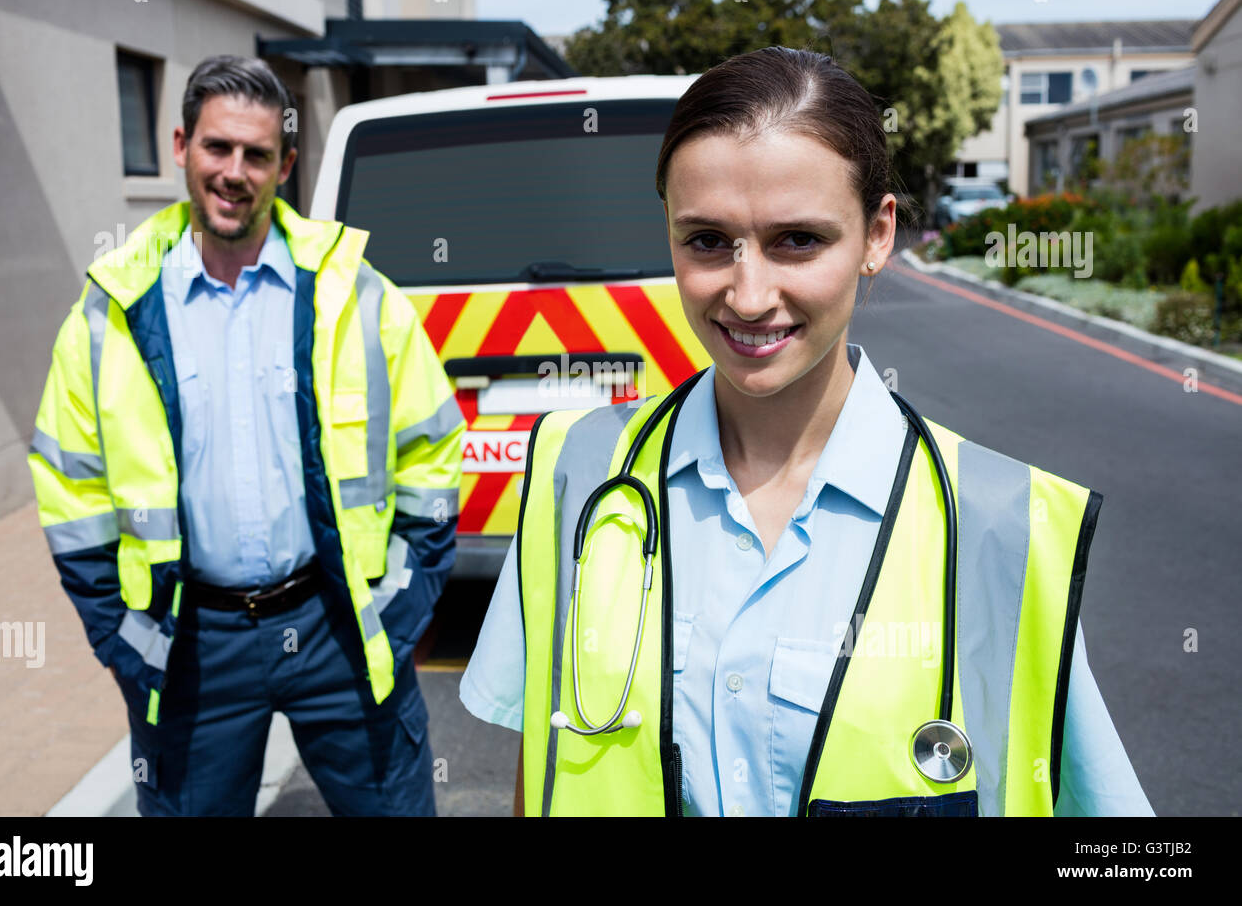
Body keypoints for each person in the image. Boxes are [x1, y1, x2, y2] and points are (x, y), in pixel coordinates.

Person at [458, 46, 1154, 817]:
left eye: (798, 240)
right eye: (707, 241)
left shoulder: (1000, 524)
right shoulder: (576, 473)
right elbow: (543, 776)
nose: (749, 295)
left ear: (878, 235)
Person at [28, 55, 464, 816]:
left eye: (257, 154)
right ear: (180, 147)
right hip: (192, 644)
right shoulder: (110, 314)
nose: (235, 172)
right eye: (217, 148)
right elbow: (71, 490)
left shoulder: (357, 296)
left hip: (338, 628)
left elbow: (430, 452)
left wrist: (397, 612)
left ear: (286, 165)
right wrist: (124, 641)